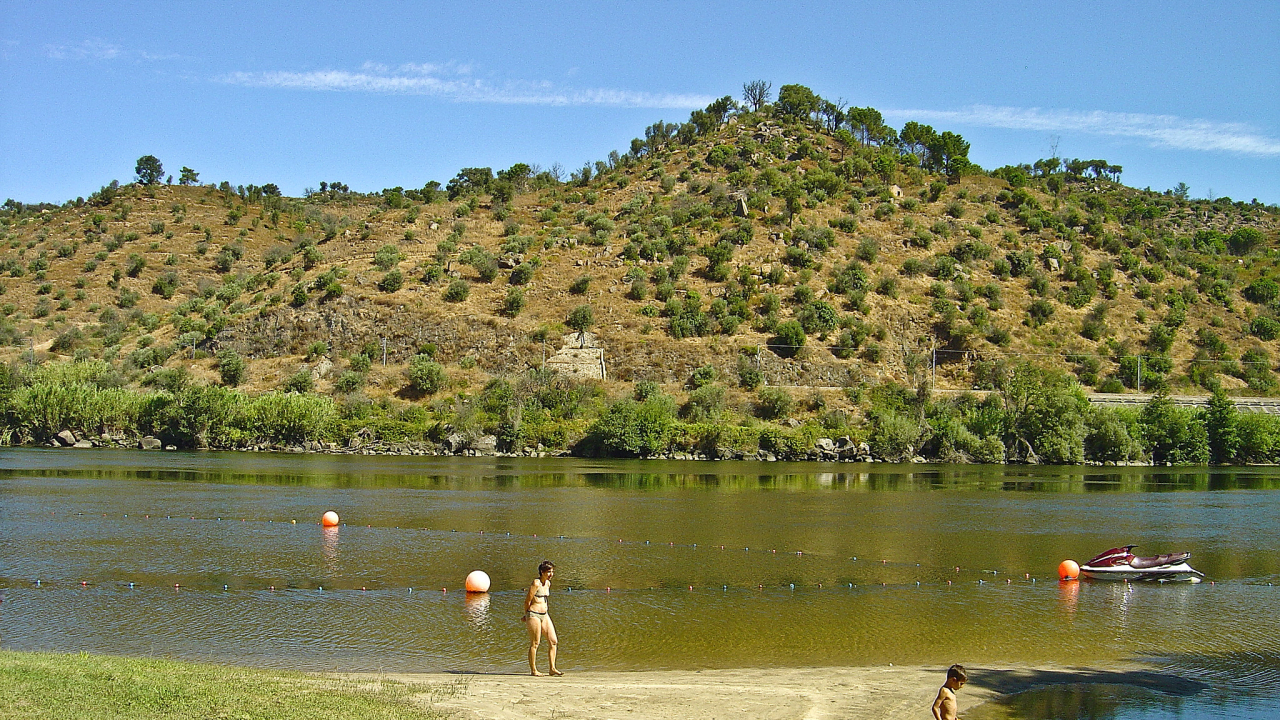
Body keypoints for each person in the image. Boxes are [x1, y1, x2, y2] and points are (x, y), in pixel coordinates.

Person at [521, 560, 562, 676]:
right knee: (535, 643)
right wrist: (526, 615)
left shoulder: (548, 584)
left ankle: (552, 668)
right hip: (533, 614)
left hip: (545, 615)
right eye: (549, 572)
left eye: (552, 571)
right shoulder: (536, 583)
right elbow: (527, 600)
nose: (551, 574)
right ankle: (534, 670)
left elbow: (544, 600)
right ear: (542, 572)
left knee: (553, 641)